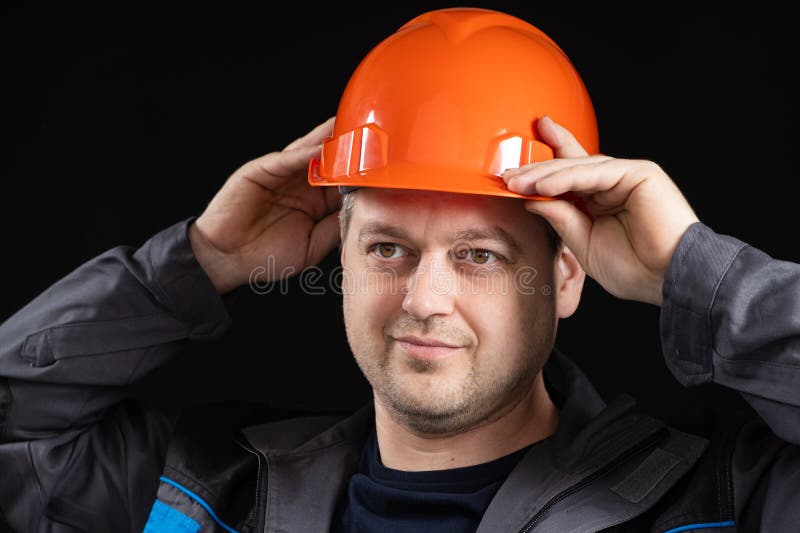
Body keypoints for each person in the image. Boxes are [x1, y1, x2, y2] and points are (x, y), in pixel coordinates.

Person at [1, 6, 798, 533]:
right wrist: (195, 264)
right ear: (338, 254)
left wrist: (700, 278)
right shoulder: (202, 487)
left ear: (566, 275)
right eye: (387, 247)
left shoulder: (721, 498)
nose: (423, 298)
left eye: (478, 254)